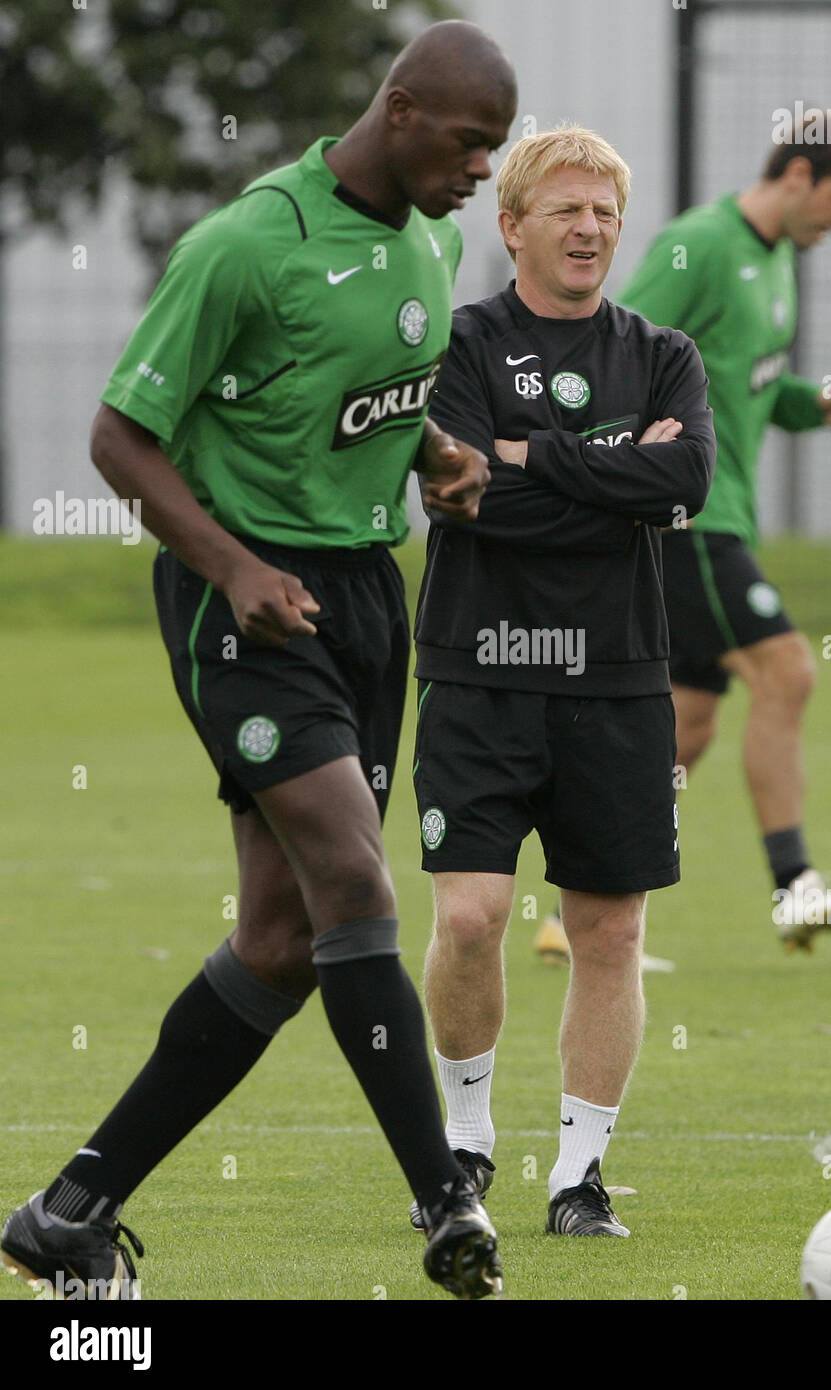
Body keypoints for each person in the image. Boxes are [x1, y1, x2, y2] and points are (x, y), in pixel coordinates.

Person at [1, 20, 517, 1302]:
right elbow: (121, 438)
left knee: (284, 939)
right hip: (241, 601)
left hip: (360, 598)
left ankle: (71, 1212)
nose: (482, 177)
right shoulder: (243, 247)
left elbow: (370, 403)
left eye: (494, 153)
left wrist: (435, 458)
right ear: (399, 114)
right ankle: (446, 1196)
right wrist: (232, 565)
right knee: (354, 880)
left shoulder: (431, 239)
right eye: (468, 146)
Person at [410, 126, 714, 1237]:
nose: (590, 229)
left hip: (622, 680)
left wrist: (533, 454)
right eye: (566, 211)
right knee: (475, 916)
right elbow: (462, 493)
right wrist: (614, 470)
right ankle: (465, 1144)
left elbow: (683, 484)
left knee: (610, 931)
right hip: (476, 672)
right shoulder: (461, 346)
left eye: (605, 213)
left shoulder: (665, 353)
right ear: (511, 227)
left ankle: (579, 1177)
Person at [620, 111, 831, 951]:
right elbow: (615, 351)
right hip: (688, 515)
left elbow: (748, 386)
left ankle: (581, 901)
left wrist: (815, 405)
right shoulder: (699, 243)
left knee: (688, 724)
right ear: (796, 172)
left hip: (725, 513)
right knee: (788, 672)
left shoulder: (778, 261)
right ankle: (794, 881)